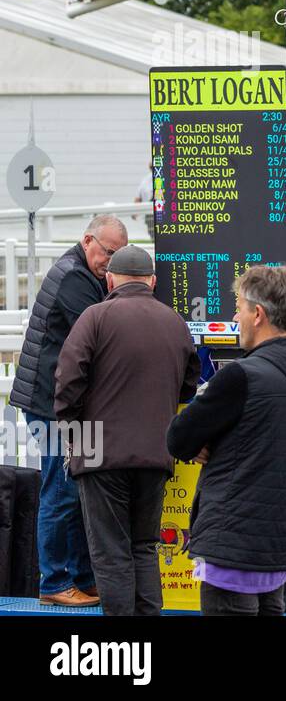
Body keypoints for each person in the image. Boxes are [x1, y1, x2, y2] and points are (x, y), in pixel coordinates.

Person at [166, 266, 286, 616]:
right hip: (274, 544)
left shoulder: (241, 376)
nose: (234, 316)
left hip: (232, 542)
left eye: (239, 307)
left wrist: (207, 446)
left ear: (258, 314)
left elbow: (178, 437)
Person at [53, 246, 198, 616]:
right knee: (145, 547)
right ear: (152, 281)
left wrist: (74, 436)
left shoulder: (94, 317)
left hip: (101, 453)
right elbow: (189, 385)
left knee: (111, 552)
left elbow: (68, 382)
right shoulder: (175, 322)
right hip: (155, 453)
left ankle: (124, 652)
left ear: (110, 279)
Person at [10, 213, 127, 607]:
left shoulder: (81, 272)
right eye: (107, 252)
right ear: (88, 239)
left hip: (63, 404)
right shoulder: (75, 278)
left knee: (77, 491)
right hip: (53, 405)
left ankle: (79, 577)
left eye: (117, 256)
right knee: (61, 492)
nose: (110, 261)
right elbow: (103, 336)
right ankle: (55, 582)